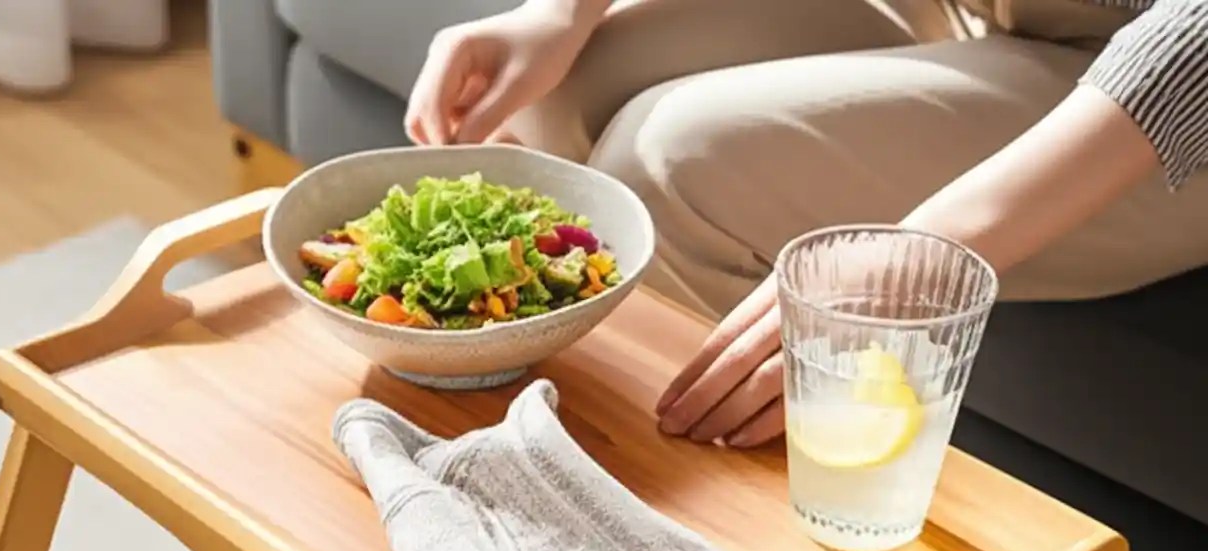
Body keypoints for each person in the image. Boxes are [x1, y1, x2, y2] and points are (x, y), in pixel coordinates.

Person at [405, 0, 1208, 447]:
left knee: (671, 166)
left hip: (1174, 93)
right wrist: (563, 10)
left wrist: (927, 251)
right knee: (558, 94)